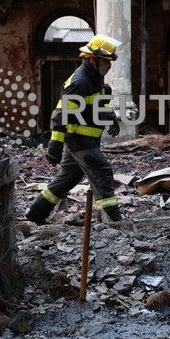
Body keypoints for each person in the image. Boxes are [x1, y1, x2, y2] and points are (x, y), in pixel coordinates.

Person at [25, 34, 124, 224]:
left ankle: (36, 212)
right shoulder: (79, 82)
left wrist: (111, 118)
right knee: (102, 170)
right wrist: (54, 145)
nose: (108, 65)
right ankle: (113, 220)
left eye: (110, 61)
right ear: (92, 59)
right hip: (79, 140)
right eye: (106, 60)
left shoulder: (95, 79)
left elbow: (101, 102)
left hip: (87, 140)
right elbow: (61, 115)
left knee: (69, 176)